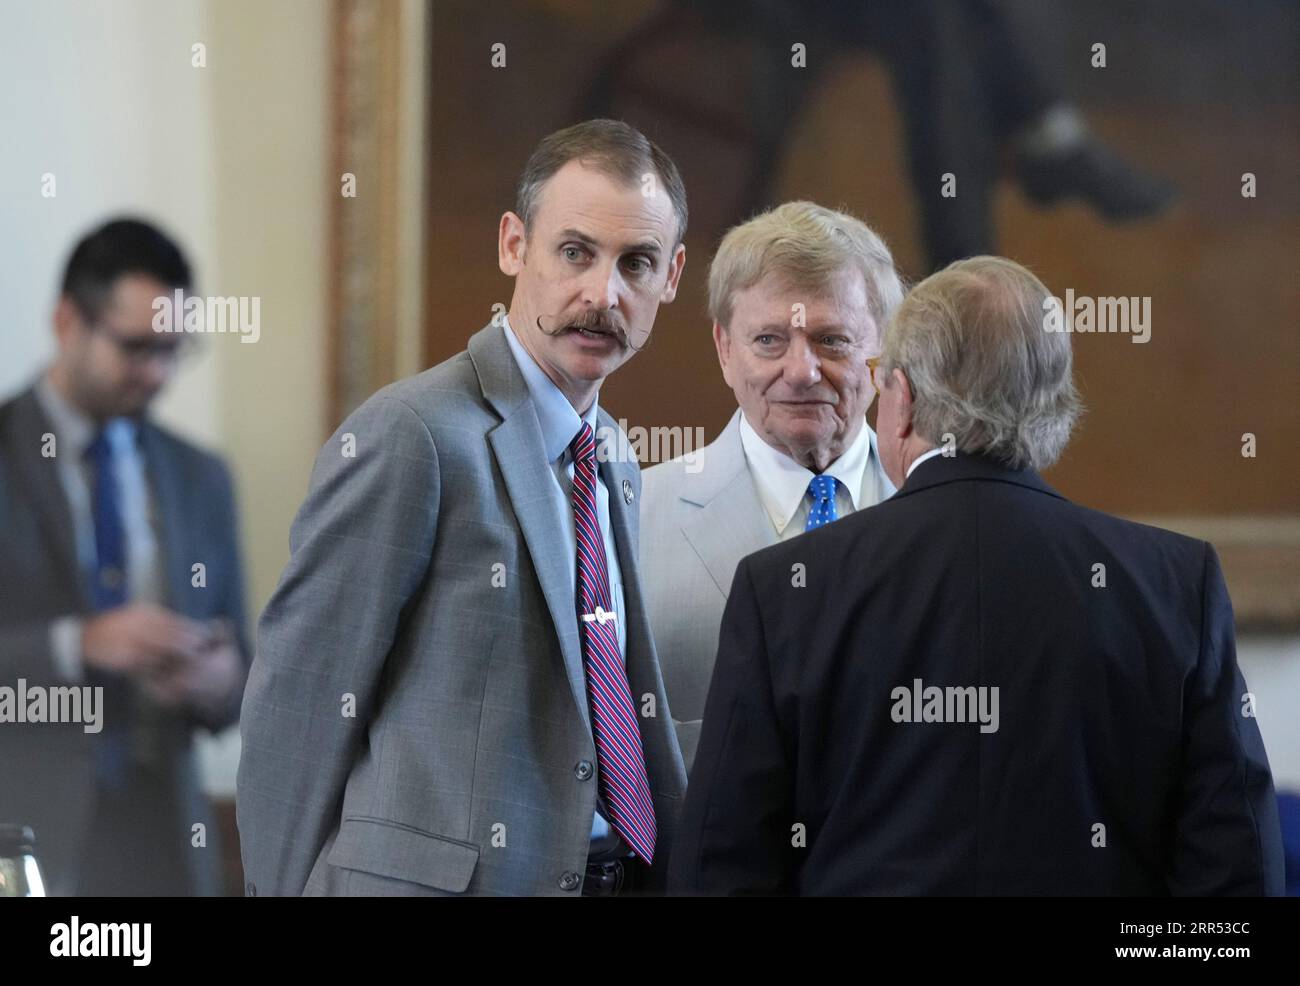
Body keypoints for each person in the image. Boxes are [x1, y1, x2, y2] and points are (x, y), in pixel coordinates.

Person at [670, 256, 1284, 895]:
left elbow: (721, 867)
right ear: (1054, 407)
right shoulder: (1176, 583)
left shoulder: (785, 589)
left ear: (902, 399)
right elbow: (1238, 874)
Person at [237, 119, 689, 897]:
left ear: (672, 276)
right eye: (575, 252)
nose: (602, 294)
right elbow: (300, 700)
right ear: (514, 246)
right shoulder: (412, 432)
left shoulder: (613, 452)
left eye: (636, 264)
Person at [0, 218, 249, 896]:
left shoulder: (200, 477)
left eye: (174, 349)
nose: (157, 373)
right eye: (137, 347)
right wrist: (77, 643)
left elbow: (243, 663)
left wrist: (219, 677)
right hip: (20, 833)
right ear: (65, 321)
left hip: (165, 835)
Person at [641, 201, 902, 770]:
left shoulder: (942, 514)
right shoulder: (633, 519)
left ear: (884, 352)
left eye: (832, 340)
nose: (802, 371)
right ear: (724, 348)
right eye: (769, 341)